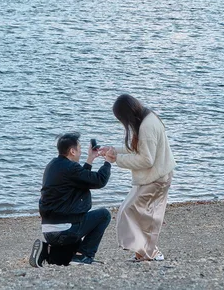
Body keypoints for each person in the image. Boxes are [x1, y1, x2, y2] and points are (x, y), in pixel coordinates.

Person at [101, 94, 176, 262]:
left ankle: (150, 253)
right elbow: (140, 149)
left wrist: (117, 159)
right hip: (155, 176)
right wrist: (114, 150)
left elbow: (146, 159)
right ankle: (143, 252)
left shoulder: (146, 126)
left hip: (157, 178)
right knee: (138, 214)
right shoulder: (146, 119)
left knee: (136, 214)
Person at [29, 132, 115, 267]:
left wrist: (90, 159)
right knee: (104, 215)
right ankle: (85, 255)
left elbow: (80, 181)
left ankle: (46, 251)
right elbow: (99, 180)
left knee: (65, 260)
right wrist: (108, 162)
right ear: (72, 151)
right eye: (79, 150)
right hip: (65, 230)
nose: (80, 153)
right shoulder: (71, 168)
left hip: (49, 230)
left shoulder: (53, 165)